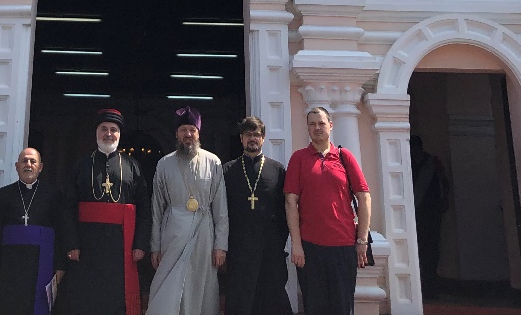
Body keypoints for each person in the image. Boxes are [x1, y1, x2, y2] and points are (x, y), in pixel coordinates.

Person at [57, 108, 152, 315]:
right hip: (87, 245)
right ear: (96, 133)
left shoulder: (132, 166)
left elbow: (144, 208)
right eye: (104, 129)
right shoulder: (81, 166)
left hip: (122, 247)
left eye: (113, 129)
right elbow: (68, 207)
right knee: (87, 297)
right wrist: (72, 243)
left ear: (119, 134)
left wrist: (140, 244)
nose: (108, 134)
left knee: (117, 298)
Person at [285, 107, 372, 315]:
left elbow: (364, 196)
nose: (317, 128)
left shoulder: (344, 156)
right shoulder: (299, 158)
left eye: (321, 123)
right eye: (312, 124)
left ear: (330, 126)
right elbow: (290, 201)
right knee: (314, 306)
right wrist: (296, 245)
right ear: (307, 127)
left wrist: (362, 241)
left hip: (343, 245)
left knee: (342, 306)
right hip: (310, 247)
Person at [147, 107, 228, 315]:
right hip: (172, 232)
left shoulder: (213, 162)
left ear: (198, 133)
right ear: (176, 134)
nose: (188, 135)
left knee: (201, 285)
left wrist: (221, 245)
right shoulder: (164, 164)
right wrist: (155, 247)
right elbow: (157, 208)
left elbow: (220, 208)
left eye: (192, 130)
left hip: (204, 234)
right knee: (168, 285)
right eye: (183, 130)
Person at [222, 116, 291, 315]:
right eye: (248, 135)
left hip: (270, 249)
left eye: (256, 135)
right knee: (240, 300)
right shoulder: (228, 170)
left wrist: (279, 241)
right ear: (241, 138)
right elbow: (222, 210)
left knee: (271, 298)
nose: (252, 138)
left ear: (263, 138)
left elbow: (284, 209)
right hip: (239, 248)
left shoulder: (277, 170)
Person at [0, 147, 66, 315]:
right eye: (24, 161)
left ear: (41, 167)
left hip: (40, 265)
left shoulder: (53, 196)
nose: (28, 165)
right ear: (16, 166)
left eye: (33, 161)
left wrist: (60, 266)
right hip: (9, 267)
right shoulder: (2, 196)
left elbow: (61, 233)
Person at [410, 135, 450, 293]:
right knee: (417, 246)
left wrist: (444, 201)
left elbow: (444, 182)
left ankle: (431, 281)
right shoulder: (406, 161)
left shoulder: (433, 162)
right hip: (414, 211)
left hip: (431, 210)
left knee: (432, 246)